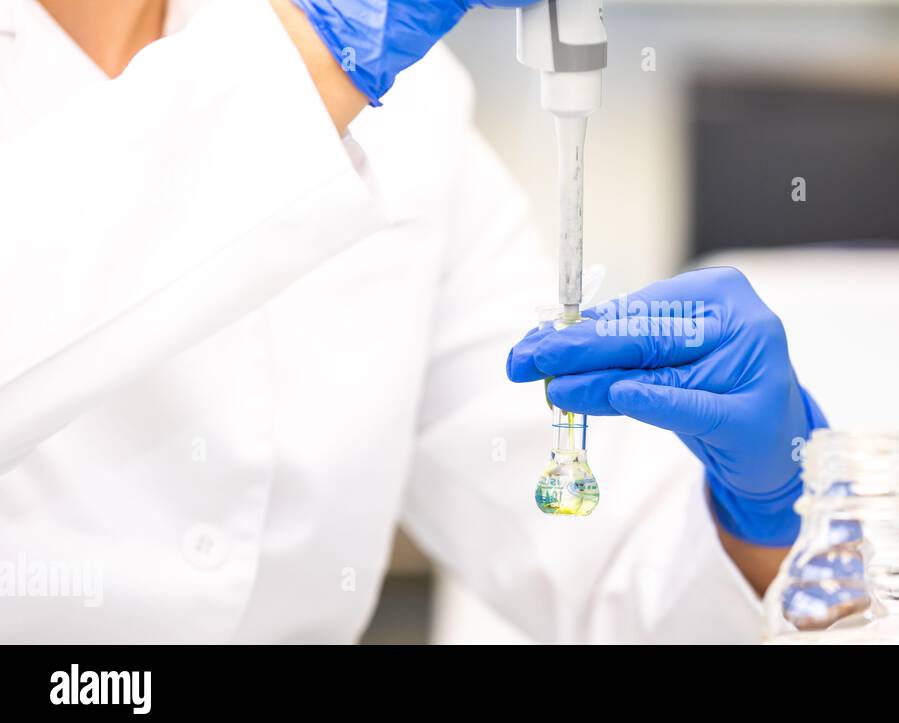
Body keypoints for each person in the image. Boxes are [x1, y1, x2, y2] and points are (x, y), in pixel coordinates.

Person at [0, 0, 825, 643]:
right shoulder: (335, 48)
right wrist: (312, 57)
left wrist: (762, 514)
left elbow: (594, 559)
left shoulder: (407, 100)